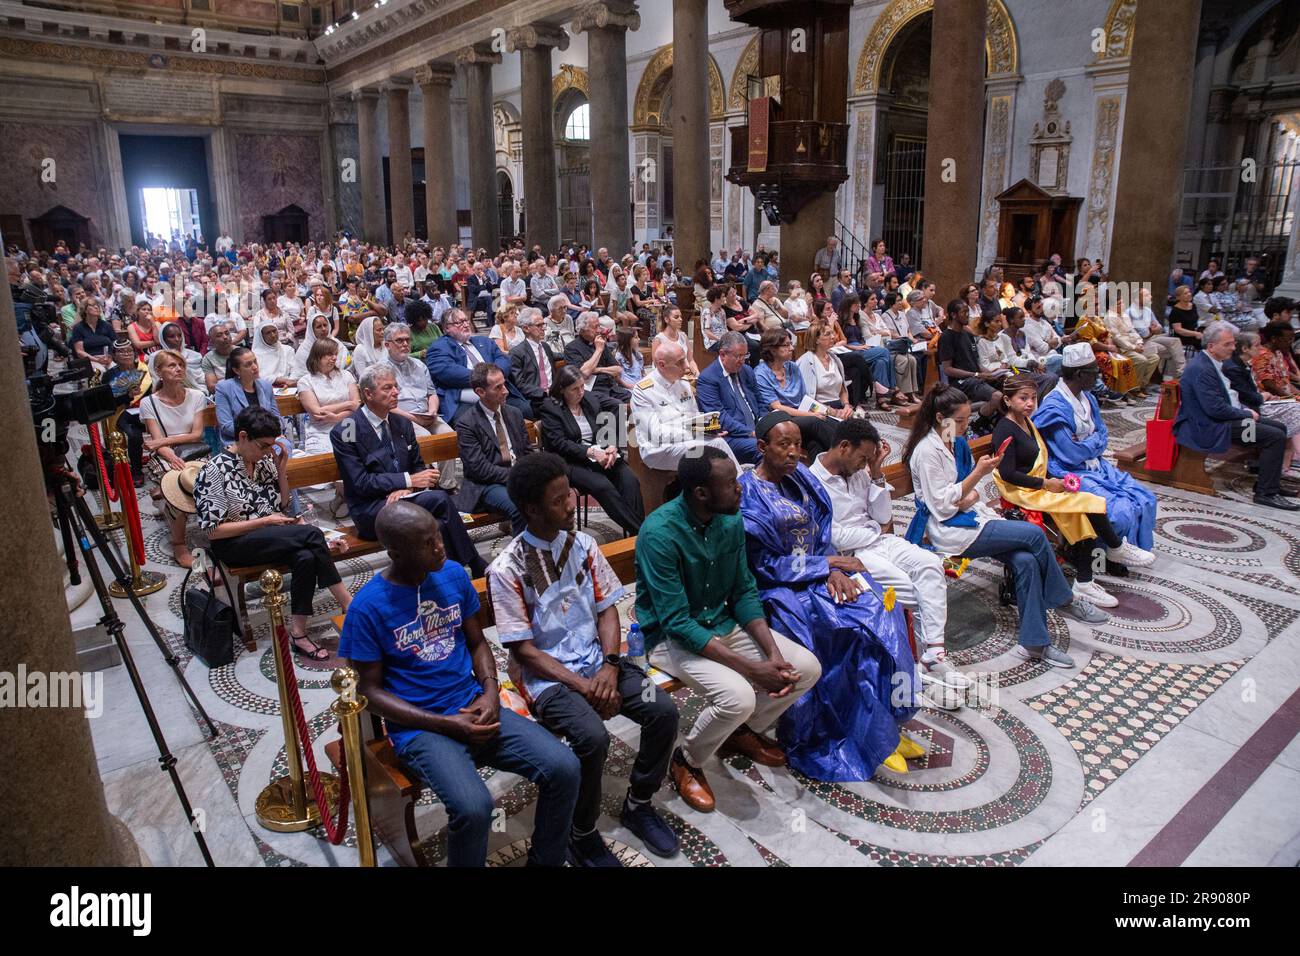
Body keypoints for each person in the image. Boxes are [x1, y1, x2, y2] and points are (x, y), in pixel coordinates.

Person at [341, 500, 579, 866]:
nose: (440, 546)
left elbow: (477, 642)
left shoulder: (452, 575)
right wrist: (445, 723)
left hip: (473, 703)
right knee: (474, 808)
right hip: (421, 728)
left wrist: (489, 692)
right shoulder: (368, 608)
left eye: (438, 536)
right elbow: (368, 692)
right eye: (426, 543)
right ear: (395, 553)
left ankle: (546, 860)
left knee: (563, 767)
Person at [488, 453, 676, 864]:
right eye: (560, 500)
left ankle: (639, 804)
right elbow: (523, 650)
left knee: (661, 709)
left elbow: (608, 608)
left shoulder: (585, 545)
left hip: (597, 660)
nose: (573, 504)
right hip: (548, 679)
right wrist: (585, 686)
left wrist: (610, 664)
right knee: (593, 737)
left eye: (570, 494)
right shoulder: (506, 568)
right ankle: (581, 831)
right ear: (531, 509)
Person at [636, 447, 821, 811]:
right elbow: (677, 623)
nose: (740, 489)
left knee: (805, 668)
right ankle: (686, 759)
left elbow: (743, 592)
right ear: (701, 493)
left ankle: (738, 732)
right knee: (739, 696)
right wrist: (752, 669)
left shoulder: (731, 520)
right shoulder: (659, 534)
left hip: (722, 621)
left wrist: (773, 655)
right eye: (731, 484)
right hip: (670, 638)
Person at [741, 413, 920, 777]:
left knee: (883, 608)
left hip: (821, 573)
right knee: (845, 631)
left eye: (797, 445)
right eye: (783, 445)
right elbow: (764, 563)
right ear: (763, 447)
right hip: (780, 588)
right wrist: (825, 566)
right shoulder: (749, 492)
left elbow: (823, 538)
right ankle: (853, 732)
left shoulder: (802, 479)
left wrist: (834, 569)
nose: (793, 453)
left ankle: (882, 722)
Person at [904, 385, 1107, 668]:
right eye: (959, 420)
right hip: (949, 530)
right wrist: (976, 476)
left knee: (1025, 562)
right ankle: (1066, 598)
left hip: (972, 516)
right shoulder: (927, 451)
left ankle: (1035, 643)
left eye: (966, 419)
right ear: (940, 417)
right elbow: (942, 506)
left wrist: (968, 492)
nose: (965, 426)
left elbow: (967, 493)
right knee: (1035, 534)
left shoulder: (953, 438)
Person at [809, 417, 970, 705]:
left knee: (929, 565)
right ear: (844, 447)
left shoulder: (861, 471)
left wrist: (876, 472)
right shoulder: (813, 481)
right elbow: (837, 535)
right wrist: (872, 529)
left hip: (881, 544)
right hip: (853, 557)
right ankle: (918, 674)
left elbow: (884, 517)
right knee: (909, 590)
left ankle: (933, 655)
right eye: (862, 458)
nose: (863, 464)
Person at [196, 405, 352, 659]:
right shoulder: (214, 470)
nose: (269, 451)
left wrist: (280, 470)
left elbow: (282, 505)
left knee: (307, 556)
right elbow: (213, 530)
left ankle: (298, 632)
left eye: (271, 446)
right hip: (234, 542)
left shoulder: (264, 461)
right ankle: (348, 604)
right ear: (243, 437)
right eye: (264, 446)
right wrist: (264, 522)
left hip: (267, 535)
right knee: (312, 536)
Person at [330, 365, 488, 573]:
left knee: (439, 524)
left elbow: (418, 466)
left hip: (406, 500)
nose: (396, 392)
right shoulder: (347, 429)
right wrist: (408, 481)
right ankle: (475, 565)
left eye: (396, 386)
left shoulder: (401, 423)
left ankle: (445, 574)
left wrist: (408, 489)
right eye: (387, 388)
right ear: (368, 394)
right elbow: (360, 482)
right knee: (440, 499)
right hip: (371, 509)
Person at [992, 376, 1123, 608]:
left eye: (1033, 398)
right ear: (1007, 400)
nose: (1030, 403)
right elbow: (1007, 474)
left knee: (1081, 517)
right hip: (1020, 492)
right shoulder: (1004, 429)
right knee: (1090, 501)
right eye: (1023, 398)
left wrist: (1053, 481)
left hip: (1036, 486)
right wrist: (1045, 484)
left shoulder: (1027, 422)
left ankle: (1084, 581)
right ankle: (1116, 548)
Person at [1034, 344, 1158, 565]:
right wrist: (1094, 442)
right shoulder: (1054, 405)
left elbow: (1103, 434)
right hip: (1068, 472)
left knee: (1144, 497)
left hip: (1095, 464)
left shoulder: (1088, 398)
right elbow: (1071, 454)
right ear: (1080, 374)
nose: (1099, 377)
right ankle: (1103, 555)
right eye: (1095, 372)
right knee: (1119, 510)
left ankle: (1120, 551)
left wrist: (1089, 442)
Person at [539, 366, 643, 535]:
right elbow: (560, 443)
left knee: (630, 480)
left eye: (582, 386)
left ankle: (635, 533)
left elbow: (618, 406)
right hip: (571, 461)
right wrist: (591, 452)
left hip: (600, 454)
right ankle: (640, 532)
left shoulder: (588, 398)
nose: (580, 392)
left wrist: (612, 444)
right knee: (603, 487)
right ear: (562, 390)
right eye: (574, 389)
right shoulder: (550, 407)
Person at [140, 349, 210, 568]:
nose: (178, 369)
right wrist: (168, 452)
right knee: (177, 484)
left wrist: (161, 442)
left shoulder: (197, 396)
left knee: (215, 479)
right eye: (171, 365)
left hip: (195, 450)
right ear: (158, 371)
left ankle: (220, 528)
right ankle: (179, 543)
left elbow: (197, 434)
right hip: (166, 454)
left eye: (180, 365)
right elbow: (157, 440)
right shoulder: (149, 403)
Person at [630, 339, 736, 471]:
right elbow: (656, 434)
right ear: (662, 365)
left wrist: (709, 429)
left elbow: (694, 416)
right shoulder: (643, 391)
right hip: (659, 449)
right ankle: (743, 485)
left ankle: (734, 484)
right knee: (716, 447)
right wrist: (696, 433)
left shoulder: (683, 383)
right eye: (680, 362)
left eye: (685, 359)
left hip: (688, 439)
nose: (687, 366)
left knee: (716, 445)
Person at [452, 363, 532, 533]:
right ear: (480, 392)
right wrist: (518, 476)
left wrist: (531, 472)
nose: (506, 391)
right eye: (498, 387)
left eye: (504, 384)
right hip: (487, 485)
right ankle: (523, 555)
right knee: (521, 507)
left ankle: (549, 548)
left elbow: (526, 451)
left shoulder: (514, 413)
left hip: (517, 475)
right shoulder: (467, 423)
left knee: (551, 497)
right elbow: (479, 469)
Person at [426, 308, 525, 423]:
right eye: (459, 323)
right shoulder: (438, 348)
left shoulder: (484, 341)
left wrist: (494, 377)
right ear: (446, 328)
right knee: (471, 423)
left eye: (466, 321)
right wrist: (487, 378)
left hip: (498, 392)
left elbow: (503, 359)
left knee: (524, 409)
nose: (465, 325)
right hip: (464, 399)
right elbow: (448, 372)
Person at [754, 327, 840, 457]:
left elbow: (804, 399)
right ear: (772, 349)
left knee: (816, 440)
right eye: (787, 345)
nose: (792, 348)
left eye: (791, 344)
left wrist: (823, 411)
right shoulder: (761, 373)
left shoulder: (792, 367)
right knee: (815, 422)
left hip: (800, 415)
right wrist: (809, 415)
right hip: (778, 419)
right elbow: (777, 407)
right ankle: (846, 454)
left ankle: (818, 474)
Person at [1226, 330, 1300, 476]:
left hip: (1255, 404)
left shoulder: (1242, 364)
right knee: (1295, 411)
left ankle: (1284, 461)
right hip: (1247, 410)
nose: (1260, 348)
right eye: (1257, 345)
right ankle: (1287, 459)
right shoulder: (1233, 368)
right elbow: (1246, 396)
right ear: (1245, 349)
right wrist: (1264, 396)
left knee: (1294, 409)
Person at [695, 331, 763, 465]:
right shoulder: (708, 378)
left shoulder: (746, 370)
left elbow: (760, 402)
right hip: (732, 436)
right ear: (722, 354)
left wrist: (766, 423)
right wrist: (751, 432)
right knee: (766, 449)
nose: (742, 361)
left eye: (745, 355)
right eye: (738, 356)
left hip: (756, 430)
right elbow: (720, 418)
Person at [938, 299, 1002, 426]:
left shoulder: (968, 335)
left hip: (976, 377)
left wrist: (991, 373)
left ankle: (994, 423)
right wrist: (976, 375)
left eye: (968, 311)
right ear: (953, 315)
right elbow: (947, 369)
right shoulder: (946, 337)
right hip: (962, 382)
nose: (967, 315)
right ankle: (976, 425)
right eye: (964, 312)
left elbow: (976, 362)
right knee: (998, 397)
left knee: (1009, 388)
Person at [564, 312, 631, 412]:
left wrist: (596, 369)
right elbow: (583, 374)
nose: (599, 330)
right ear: (583, 329)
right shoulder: (572, 348)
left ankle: (636, 427)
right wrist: (598, 350)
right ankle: (619, 428)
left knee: (637, 398)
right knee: (618, 406)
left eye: (599, 326)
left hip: (611, 387)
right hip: (592, 391)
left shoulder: (600, 343)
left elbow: (618, 370)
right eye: (595, 327)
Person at [214, 346, 277, 441]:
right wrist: (258, 434)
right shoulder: (224, 388)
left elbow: (277, 418)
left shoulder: (266, 385)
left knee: (284, 445)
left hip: (268, 439)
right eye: (248, 365)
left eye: (255, 361)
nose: (255, 367)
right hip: (241, 441)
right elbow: (226, 426)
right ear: (236, 370)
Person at [508, 307, 558, 418]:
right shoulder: (516, 353)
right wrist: (544, 392)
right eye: (539, 325)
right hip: (536, 398)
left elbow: (559, 356)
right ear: (526, 328)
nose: (543, 329)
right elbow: (519, 385)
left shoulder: (545, 347)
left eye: (543, 324)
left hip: (555, 393)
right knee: (559, 410)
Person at [795, 321, 854, 414]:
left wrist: (846, 406)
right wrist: (831, 412)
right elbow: (805, 399)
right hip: (818, 410)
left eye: (832, 333)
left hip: (838, 405)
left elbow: (842, 390)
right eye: (827, 334)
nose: (833, 337)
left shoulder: (835, 359)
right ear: (816, 339)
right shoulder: (806, 362)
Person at [251, 321, 297, 388]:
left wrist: (289, 382)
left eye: (274, 331)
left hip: (288, 386)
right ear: (261, 336)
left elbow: (294, 370)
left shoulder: (287, 350)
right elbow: (257, 377)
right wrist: (279, 380)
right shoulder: (255, 355)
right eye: (268, 333)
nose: (273, 335)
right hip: (264, 387)